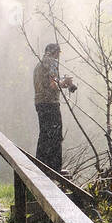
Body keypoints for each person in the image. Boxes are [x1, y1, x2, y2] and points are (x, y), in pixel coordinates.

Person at [33, 43, 74, 172]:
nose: (58, 57)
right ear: (55, 53)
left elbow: (47, 82)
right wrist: (65, 83)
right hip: (51, 103)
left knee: (44, 134)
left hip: (40, 103)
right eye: (58, 53)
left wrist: (60, 81)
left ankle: (41, 165)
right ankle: (55, 168)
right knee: (56, 135)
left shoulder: (39, 65)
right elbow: (53, 84)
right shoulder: (52, 63)